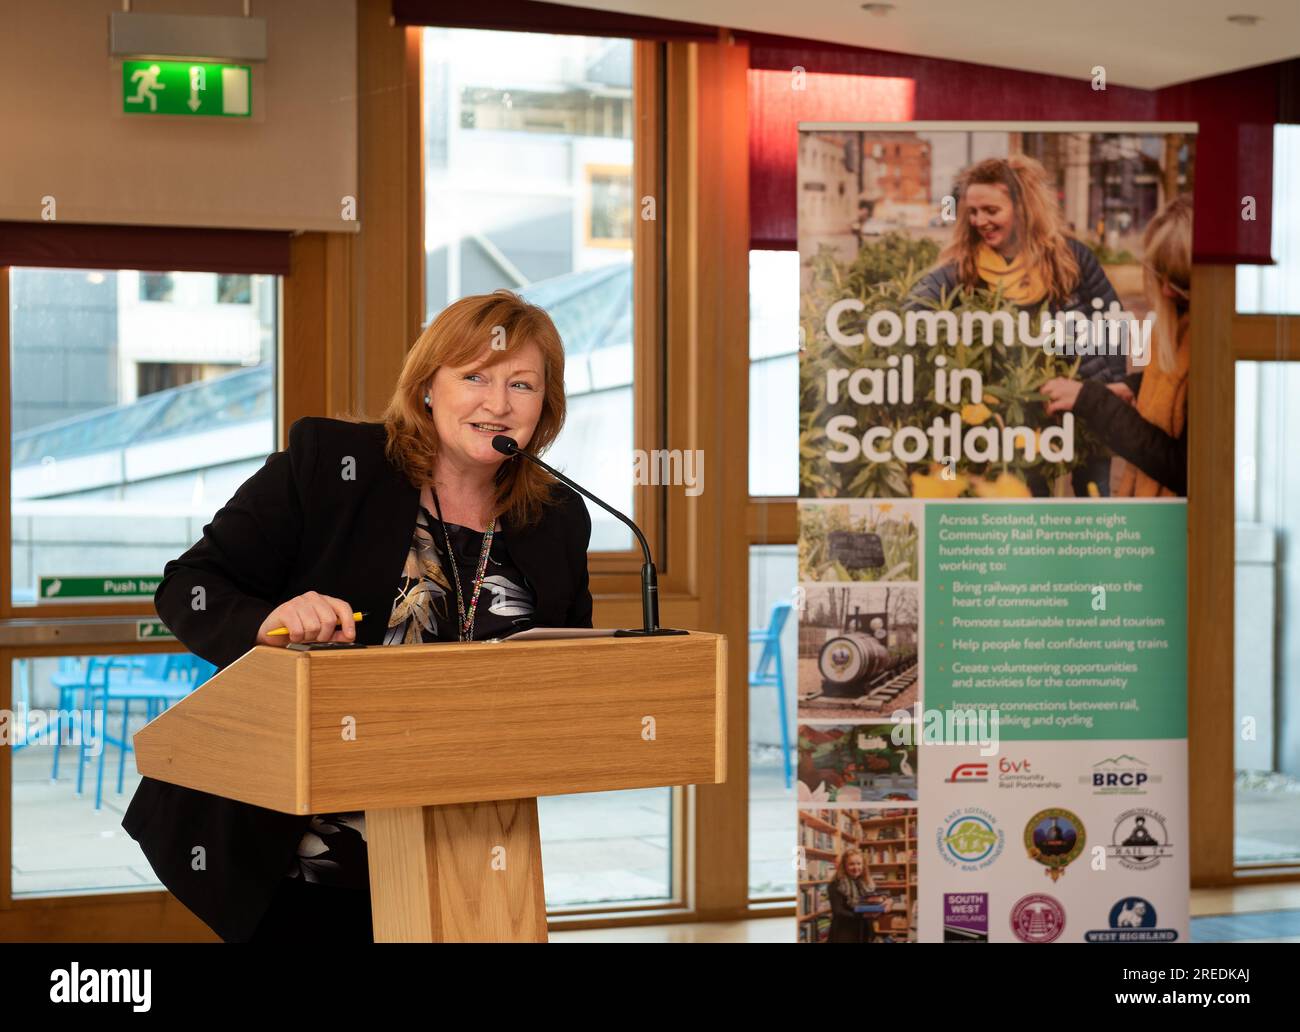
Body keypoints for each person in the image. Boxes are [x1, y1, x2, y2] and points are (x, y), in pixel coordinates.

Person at [121, 289, 593, 942]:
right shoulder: (332, 467)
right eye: (474, 376)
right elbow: (190, 587)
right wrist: (272, 619)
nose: (498, 402)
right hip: (305, 846)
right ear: (429, 385)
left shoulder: (559, 517)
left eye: (522, 383)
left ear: (546, 406)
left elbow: (572, 670)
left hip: (472, 848)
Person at [909, 155, 1125, 495]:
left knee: (1094, 499)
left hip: (1084, 407)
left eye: (991, 211)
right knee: (1028, 504)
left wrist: (1110, 388)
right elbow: (915, 305)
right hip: (1017, 418)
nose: (981, 221)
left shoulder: (1071, 258)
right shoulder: (964, 269)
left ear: (1022, 208)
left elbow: (1112, 323)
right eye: (973, 212)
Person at [1040, 195, 1191, 496]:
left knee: (1094, 487)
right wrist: (1134, 387)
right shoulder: (1179, 325)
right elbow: (1171, 385)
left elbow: (1182, 465)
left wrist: (1098, 394)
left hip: (1091, 396)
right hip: (1086, 397)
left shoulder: (1075, 256)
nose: (1165, 291)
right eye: (1161, 276)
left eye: (1179, 281)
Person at [826, 848, 881, 943]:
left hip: (865, 931)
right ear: (844, 866)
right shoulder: (836, 884)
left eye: (859, 864)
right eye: (851, 864)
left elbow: (873, 903)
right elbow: (838, 911)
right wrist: (863, 915)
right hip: (844, 933)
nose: (856, 868)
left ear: (863, 865)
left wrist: (883, 905)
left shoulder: (867, 884)